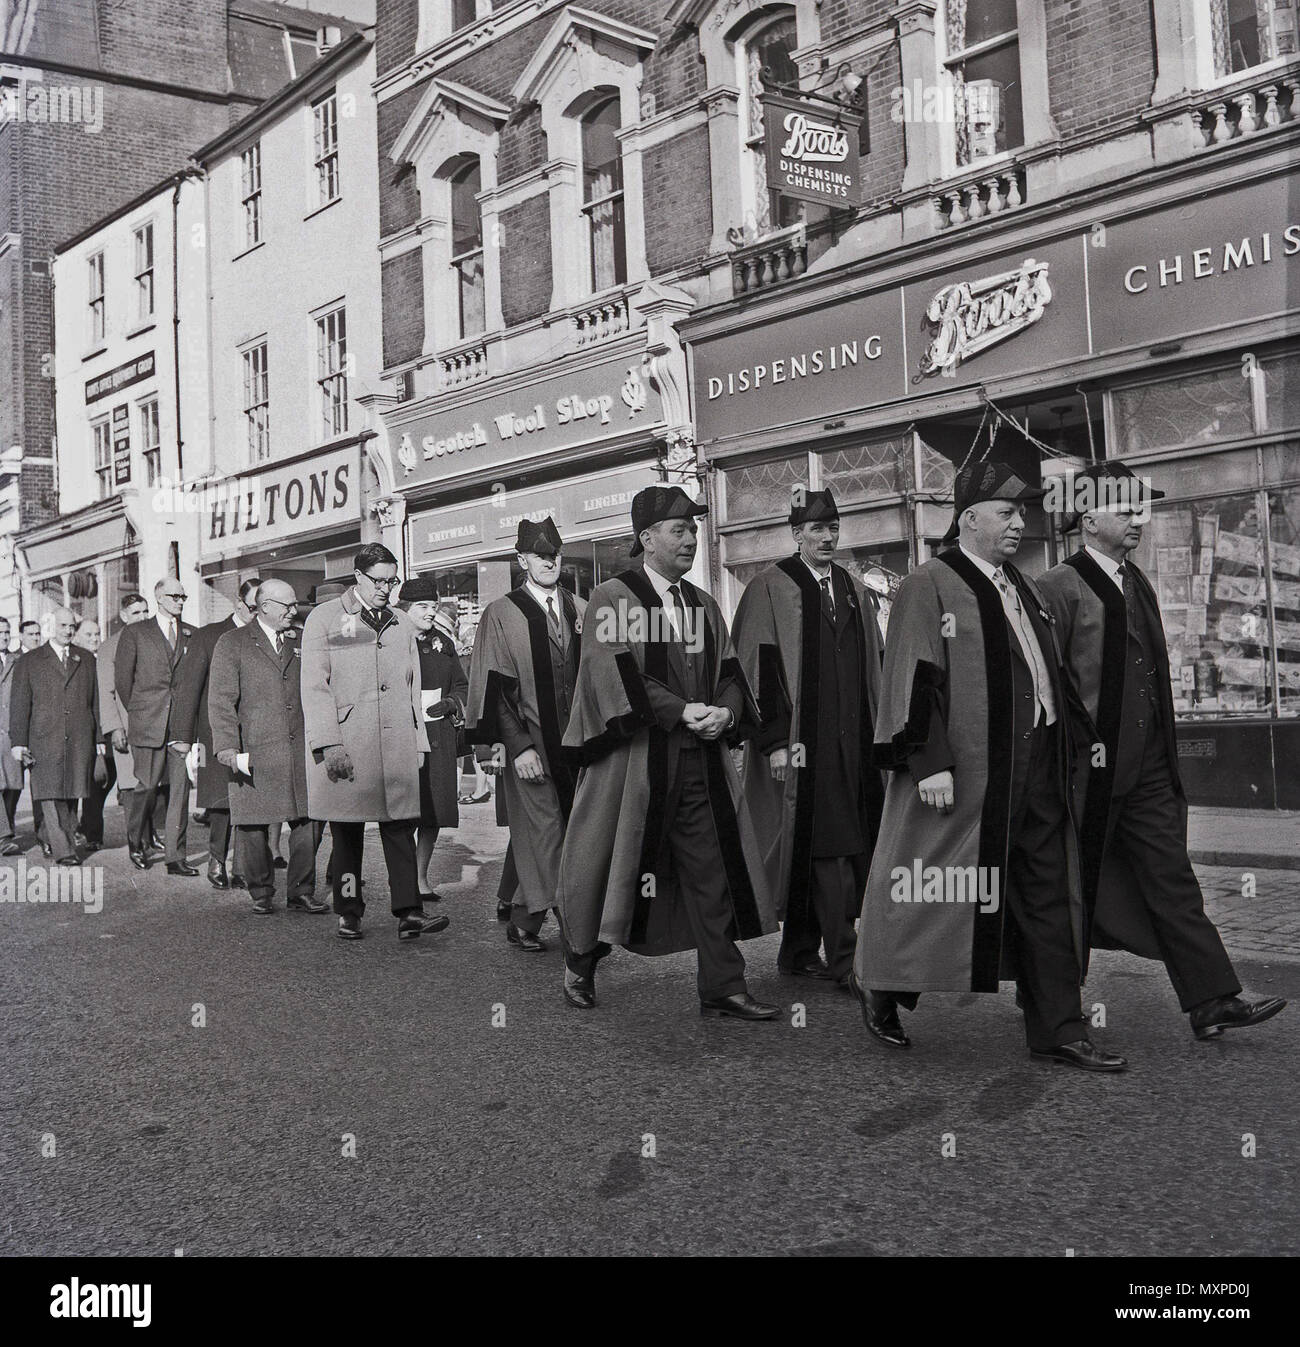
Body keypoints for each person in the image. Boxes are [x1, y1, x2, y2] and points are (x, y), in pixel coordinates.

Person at [851, 459, 1128, 1072]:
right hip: (969, 775)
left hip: (1038, 770)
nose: (1017, 523)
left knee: (1045, 895)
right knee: (934, 891)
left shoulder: (1022, 584)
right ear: (967, 518)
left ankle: (1058, 1028)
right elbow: (914, 675)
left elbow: (1047, 672)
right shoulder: (931, 582)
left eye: (1022, 513)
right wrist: (928, 764)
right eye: (1006, 513)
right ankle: (882, 981)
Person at [1038, 462, 1286, 1042]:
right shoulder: (1059, 586)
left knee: (1173, 879)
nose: (1136, 520)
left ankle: (1211, 998)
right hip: (1087, 774)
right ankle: (1046, 1009)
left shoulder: (1135, 579)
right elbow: (1049, 685)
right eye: (1124, 509)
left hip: (1147, 766)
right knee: (1062, 889)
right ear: (1088, 517)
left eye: (1137, 509)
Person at [556, 485, 778, 1016]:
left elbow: (729, 670)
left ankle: (723, 983)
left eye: (694, 529)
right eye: (679, 529)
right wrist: (682, 711)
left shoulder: (701, 604)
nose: (691, 539)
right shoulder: (615, 596)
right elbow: (614, 672)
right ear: (646, 537)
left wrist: (724, 710)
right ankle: (582, 961)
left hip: (698, 759)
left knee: (713, 869)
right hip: (636, 764)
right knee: (613, 864)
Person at [732, 486, 884, 989]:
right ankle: (846, 961)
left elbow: (876, 662)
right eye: (817, 529)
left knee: (830, 842)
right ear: (796, 534)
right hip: (802, 740)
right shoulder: (769, 587)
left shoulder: (853, 587)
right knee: (829, 847)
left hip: (853, 738)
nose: (827, 536)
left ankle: (798, 951)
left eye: (834, 527)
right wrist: (774, 741)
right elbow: (758, 667)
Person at [300, 542, 448, 942]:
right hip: (349, 741)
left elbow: (412, 683)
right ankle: (349, 911)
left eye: (391, 580)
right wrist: (329, 744)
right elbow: (314, 687)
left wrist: (419, 742)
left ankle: (409, 912)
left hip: (396, 741)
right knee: (347, 833)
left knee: (400, 826)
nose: (386, 588)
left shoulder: (400, 622)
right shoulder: (325, 619)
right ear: (359, 577)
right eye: (378, 581)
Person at [466, 518, 585, 953]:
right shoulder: (501, 612)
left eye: (555, 555)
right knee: (546, 832)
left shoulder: (581, 608)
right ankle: (576, 929)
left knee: (572, 833)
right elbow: (493, 689)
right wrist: (518, 747)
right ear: (522, 561)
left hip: (578, 747)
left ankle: (524, 920)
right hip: (531, 746)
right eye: (540, 556)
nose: (550, 562)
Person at [208, 578, 325, 917]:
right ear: (265, 607)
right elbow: (221, 701)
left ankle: (301, 891)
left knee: (309, 819)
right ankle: (260, 890)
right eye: (287, 605)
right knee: (253, 822)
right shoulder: (232, 643)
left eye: (295, 604)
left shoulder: (301, 640)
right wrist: (227, 746)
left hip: (301, 745)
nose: (294, 610)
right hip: (254, 747)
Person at [173, 578, 260, 889]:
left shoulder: (262, 636)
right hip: (215, 731)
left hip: (254, 731)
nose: (256, 613)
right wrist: (184, 738)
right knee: (221, 801)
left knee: (250, 799)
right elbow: (189, 689)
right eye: (252, 607)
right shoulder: (208, 636)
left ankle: (243, 867)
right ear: (238, 604)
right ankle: (216, 860)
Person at [114, 578, 197, 874]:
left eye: (183, 595)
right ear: (159, 597)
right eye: (175, 595)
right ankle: (135, 841)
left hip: (180, 725)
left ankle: (176, 856)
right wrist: (141, 711)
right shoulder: (136, 633)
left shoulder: (190, 634)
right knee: (147, 787)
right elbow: (123, 682)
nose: (181, 600)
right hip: (148, 722)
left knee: (179, 791)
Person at [9, 607, 104, 865]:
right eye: (62, 626)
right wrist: (18, 742)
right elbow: (20, 704)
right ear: (51, 627)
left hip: (79, 737)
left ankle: (47, 835)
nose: (68, 631)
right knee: (50, 793)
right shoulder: (29, 661)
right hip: (43, 739)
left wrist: (99, 739)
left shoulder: (85, 658)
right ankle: (64, 850)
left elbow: (95, 701)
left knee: (72, 792)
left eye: (71, 626)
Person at [397, 578, 469, 903]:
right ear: (404, 609)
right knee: (403, 813)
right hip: (402, 737)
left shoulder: (443, 643)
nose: (431, 613)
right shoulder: (390, 641)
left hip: (438, 735)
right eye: (423, 607)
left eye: (433, 606)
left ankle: (420, 877)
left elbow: (461, 685)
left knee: (433, 811)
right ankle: (402, 879)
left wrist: (452, 703)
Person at [98, 594, 155, 855]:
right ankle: (136, 844)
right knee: (132, 785)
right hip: (127, 726)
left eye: (145, 611)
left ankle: (148, 836)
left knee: (151, 783)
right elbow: (106, 691)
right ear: (123, 616)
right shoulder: (111, 646)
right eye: (135, 613)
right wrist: (115, 729)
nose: (142, 617)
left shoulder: (155, 640)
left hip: (153, 725)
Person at [0, 617, 25, 855]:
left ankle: (6, 825)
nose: (4, 637)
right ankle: (3, 837)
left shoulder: (18, 660)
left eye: (7, 632)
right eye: (0, 633)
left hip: (12, 732)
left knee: (14, 786)